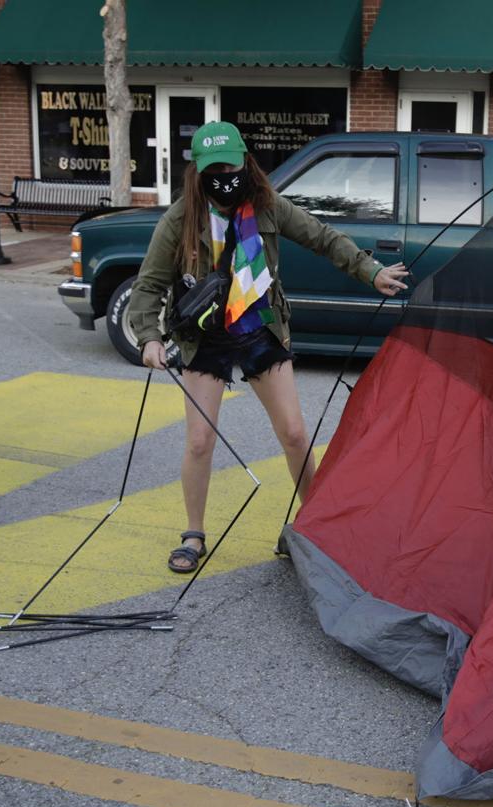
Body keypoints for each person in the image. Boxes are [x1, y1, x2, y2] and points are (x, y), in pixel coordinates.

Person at [128, 121, 408, 573]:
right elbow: (149, 285)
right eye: (212, 167)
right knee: (199, 441)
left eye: (230, 165)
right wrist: (149, 337)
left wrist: (368, 270)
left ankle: (316, 525)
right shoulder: (180, 219)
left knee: (295, 433)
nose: (223, 174)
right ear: (197, 172)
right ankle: (193, 534)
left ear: (246, 162)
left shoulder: (267, 206)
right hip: (205, 336)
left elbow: (322, 237)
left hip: (261, 326)